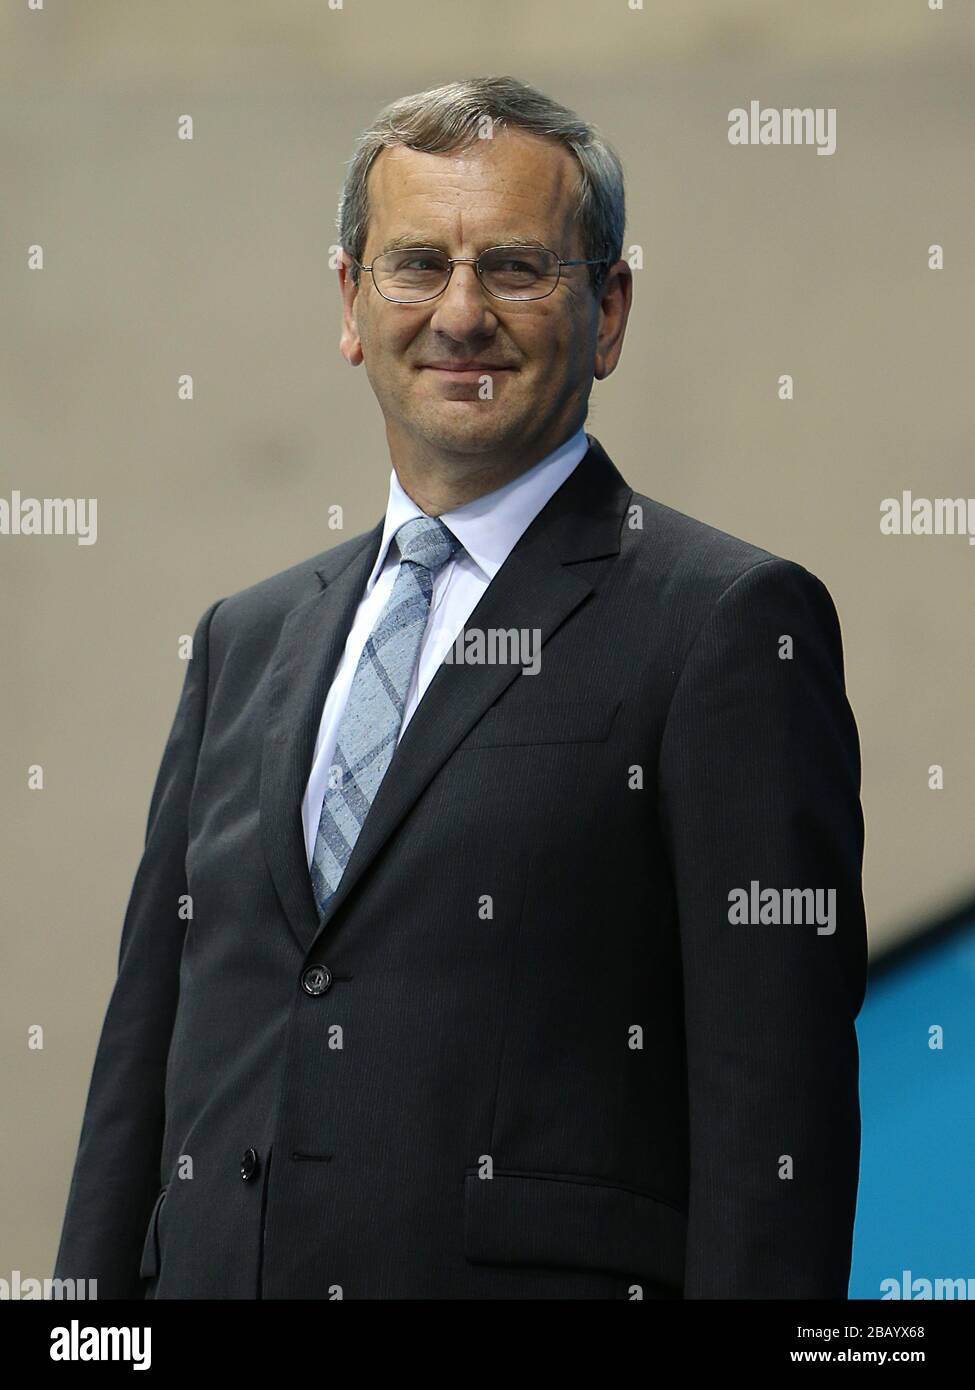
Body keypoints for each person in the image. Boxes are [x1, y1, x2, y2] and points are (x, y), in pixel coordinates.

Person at [54, 75, 867, 1300]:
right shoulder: (246, 641)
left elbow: (778, 1126)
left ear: (609, 312)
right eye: (418, 264)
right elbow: (137, 1082)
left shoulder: (728, 627)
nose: (462, 313)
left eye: (520, 268)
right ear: (349, 301)